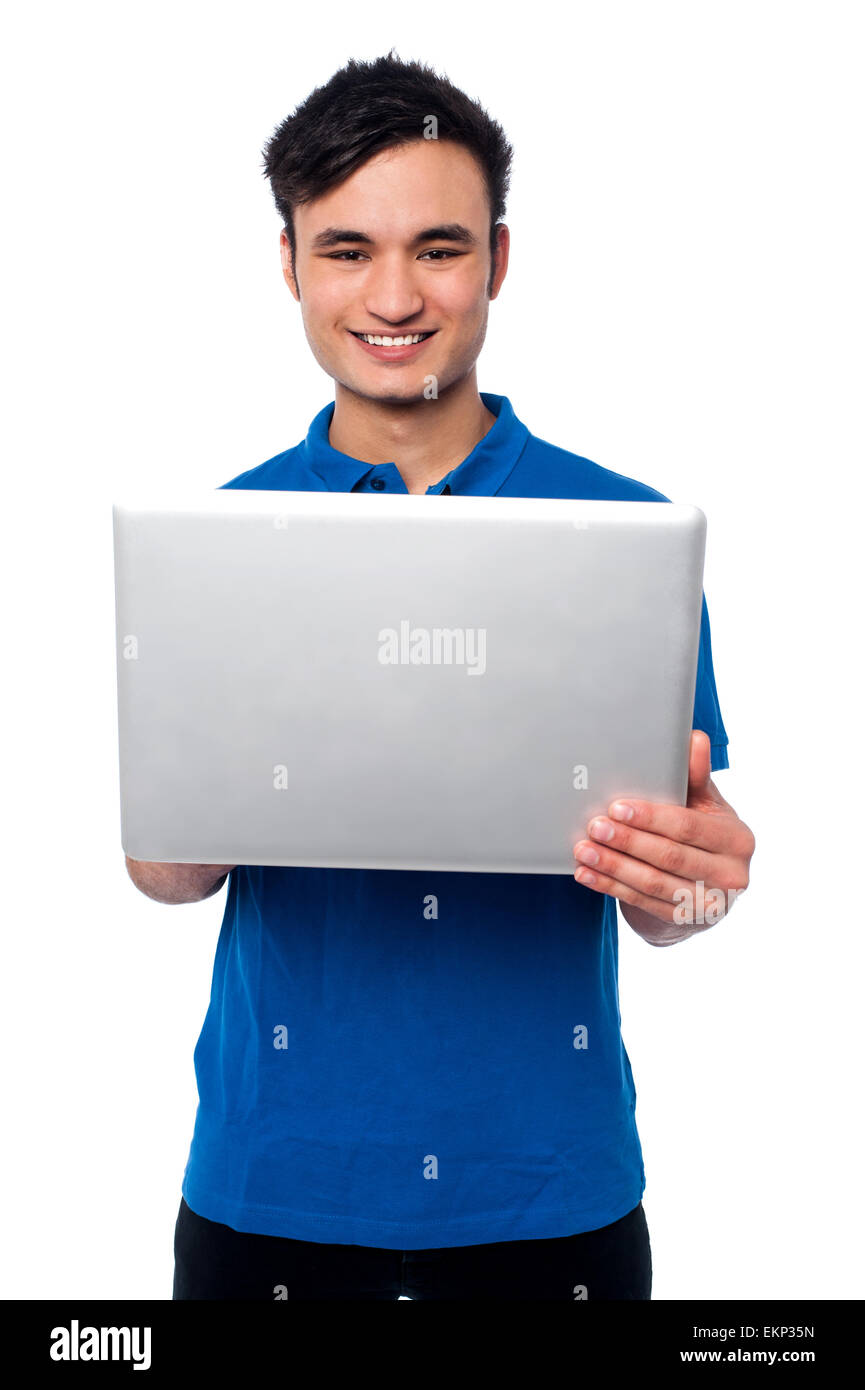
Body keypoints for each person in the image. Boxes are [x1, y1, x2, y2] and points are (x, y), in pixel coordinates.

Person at [126, 50, 755, 1301]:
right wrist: (178, 829)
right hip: (273, 1192)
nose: (395, 293)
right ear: (291, 265)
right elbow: (167, 874)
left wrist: (691, 883)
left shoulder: (621, 534)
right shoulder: (217, 537)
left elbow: (668, 883)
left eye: (441, 246)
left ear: (499, 264)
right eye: (347, 248)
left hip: (548, 1199)